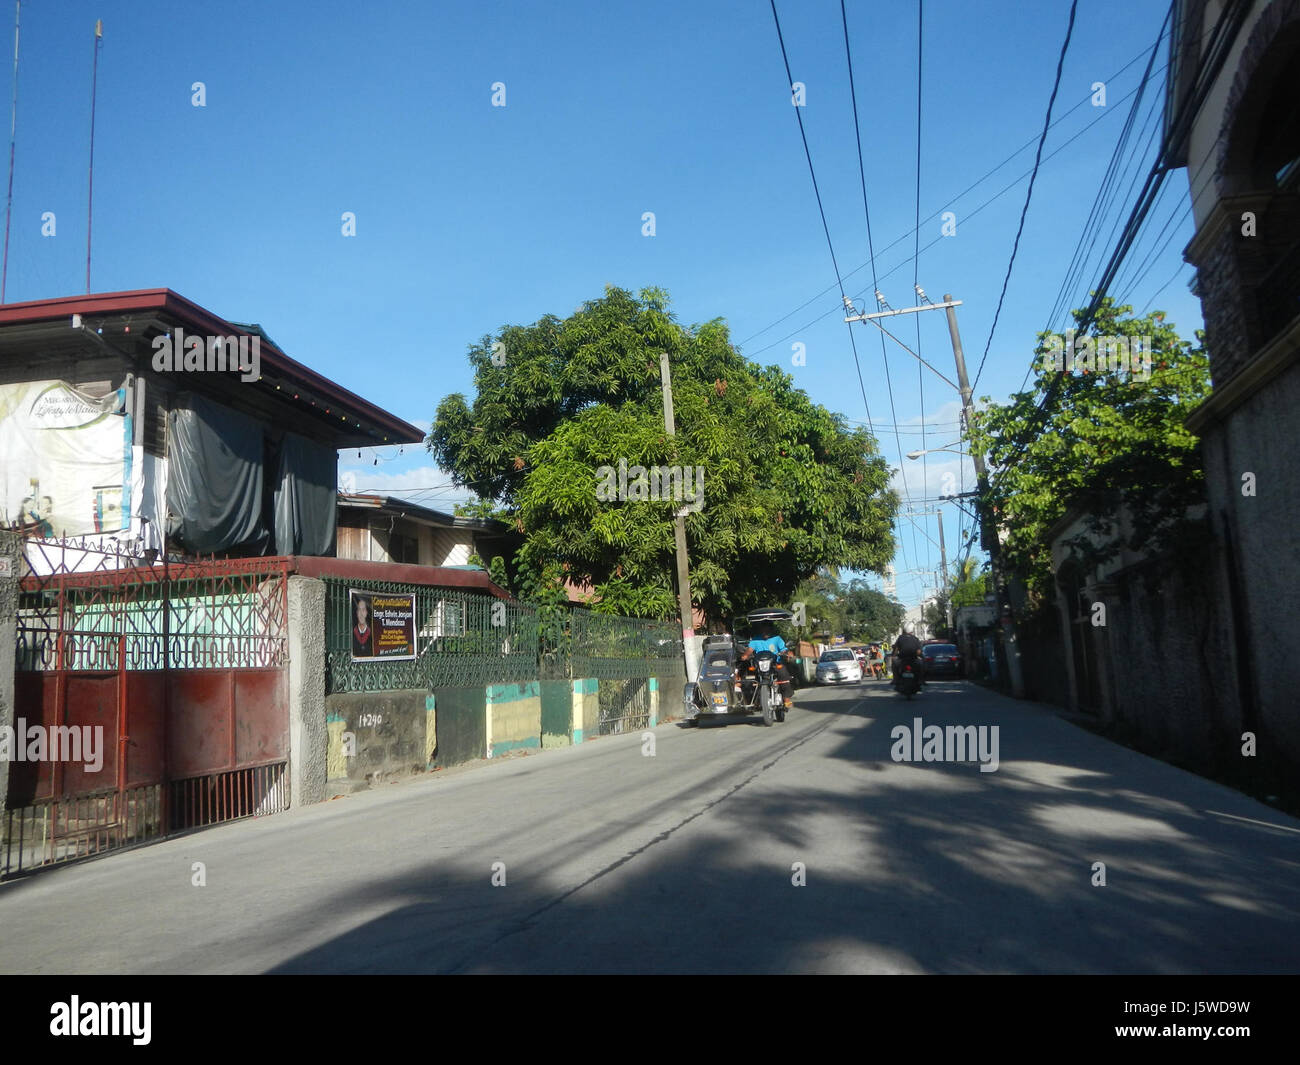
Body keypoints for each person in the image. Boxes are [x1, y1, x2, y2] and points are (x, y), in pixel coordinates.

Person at [742, 620, 795, 706]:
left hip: (775, 664)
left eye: (767, 630)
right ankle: (753, 700)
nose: (765, 632)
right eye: (763, 630)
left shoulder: (777, 639)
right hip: (759, 665)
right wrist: (746, 655)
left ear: (771, 630)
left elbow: (784, 649)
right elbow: (750, 650)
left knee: (783, 674)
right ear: (760, 630)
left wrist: (787, 653)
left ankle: (786, 699)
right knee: (748, 678)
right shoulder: (755, 639)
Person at [892, 622, 924, 690]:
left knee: (894, 662)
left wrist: (893, 656)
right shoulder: (915, 638)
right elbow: (919, 651)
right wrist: (920, 656)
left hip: (902, 659)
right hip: (913, 659)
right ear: (912, 630)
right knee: (921, 665)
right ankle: (921, 680)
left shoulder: (900, 638)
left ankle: (895, 679)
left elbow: (896, 649)